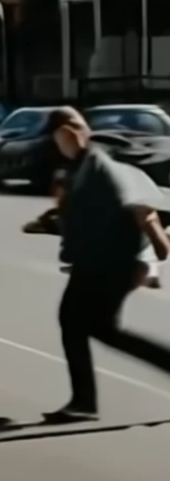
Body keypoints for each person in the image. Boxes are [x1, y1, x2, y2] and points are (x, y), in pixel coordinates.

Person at [45, 107, 170, 422]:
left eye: (73, 127)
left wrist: (149, 258)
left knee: (81, 324)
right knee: (98, 328)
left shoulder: (101, 167)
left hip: (110, 264)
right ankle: (83, 401)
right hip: (95, 262)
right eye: (63, 129)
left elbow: (143, 211)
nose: (69, 135)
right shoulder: (78, 169)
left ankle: (84, 402)